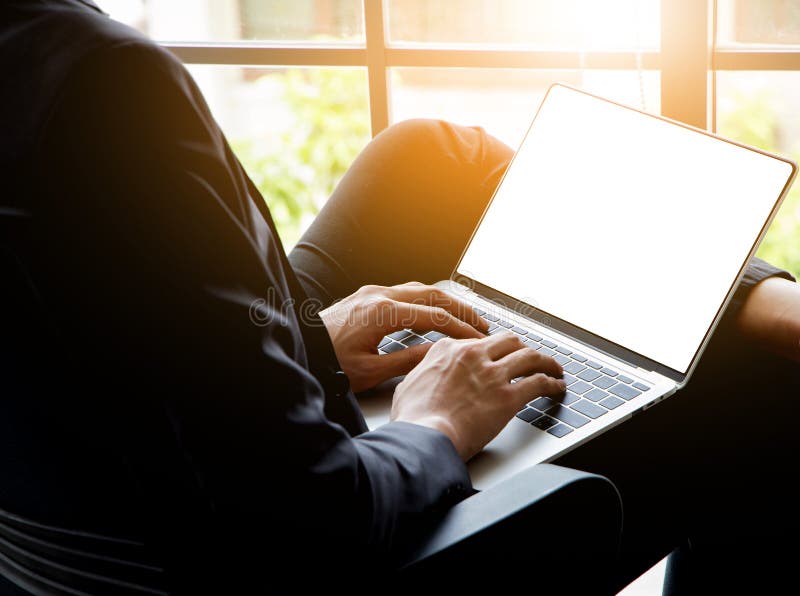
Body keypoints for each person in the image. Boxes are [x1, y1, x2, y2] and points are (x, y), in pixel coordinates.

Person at [1, 0, 798, 593]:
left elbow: (119, 350)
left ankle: (747, 295)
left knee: (429, 159)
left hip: (100, 507)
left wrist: (306, 343)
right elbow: (309, 530)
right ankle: (758, 307)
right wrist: (436, 422)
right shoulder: (99, 88)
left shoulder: (39, 53)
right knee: (762, 391)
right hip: (309, 558)